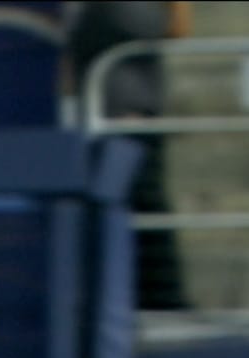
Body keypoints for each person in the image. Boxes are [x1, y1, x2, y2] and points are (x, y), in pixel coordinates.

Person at [63, 1, 194, 310]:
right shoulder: (100, 10)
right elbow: (172, 27)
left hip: (127, 122)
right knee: (130, 213)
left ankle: (162, 300)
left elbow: (171, 28)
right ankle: (151, 299)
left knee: (144, 213)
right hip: (108, 122)